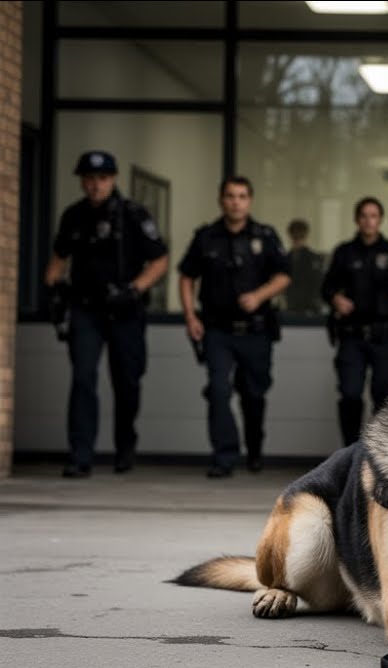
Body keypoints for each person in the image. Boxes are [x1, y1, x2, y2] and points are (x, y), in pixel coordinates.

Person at [44, 150, 169, 478]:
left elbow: (159, 260)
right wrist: (54, 291)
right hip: (86, 310)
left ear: (112, 180)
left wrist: (134, 289)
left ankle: (124, 445)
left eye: (101, 179)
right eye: (88, 178)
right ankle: (80, 455)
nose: (95, 185)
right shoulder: (73, 216)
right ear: (82, 181)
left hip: (125, 310)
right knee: (83, 378)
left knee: (126, 382)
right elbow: (57, 260)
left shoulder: (133, 214)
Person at [178, 176, 291, 478]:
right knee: (218, 389)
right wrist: (190, 316)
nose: (235, 201)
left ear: (249, 201)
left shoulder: (264, 236)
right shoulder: (205, 237)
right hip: (217, 330)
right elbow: (186, 276)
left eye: (242, 196)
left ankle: (254, 449)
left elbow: (283, 276)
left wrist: (259, 296)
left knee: (253, 394)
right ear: (221, 200)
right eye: (230, 196)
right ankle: (224, 457)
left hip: (256, 330)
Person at [320, 196, 388, 447]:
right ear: (357, 220)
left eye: (374, 216)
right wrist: (336, 299)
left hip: (386, 335)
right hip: (353, 336)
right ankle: (351, 450)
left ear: (380, 220)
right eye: (364, 216)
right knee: (350, 394)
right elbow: (326, 288)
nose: (369, 221)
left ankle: (377, 451)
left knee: (384, 395)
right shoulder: (344, 253)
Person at [283, 218, 326, 315]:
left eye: (300, 233)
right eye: (295, 233)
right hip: (292, 307)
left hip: (310, 308)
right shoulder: (285, 259)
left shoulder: (314, 259)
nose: (297, 236)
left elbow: (318, 285)